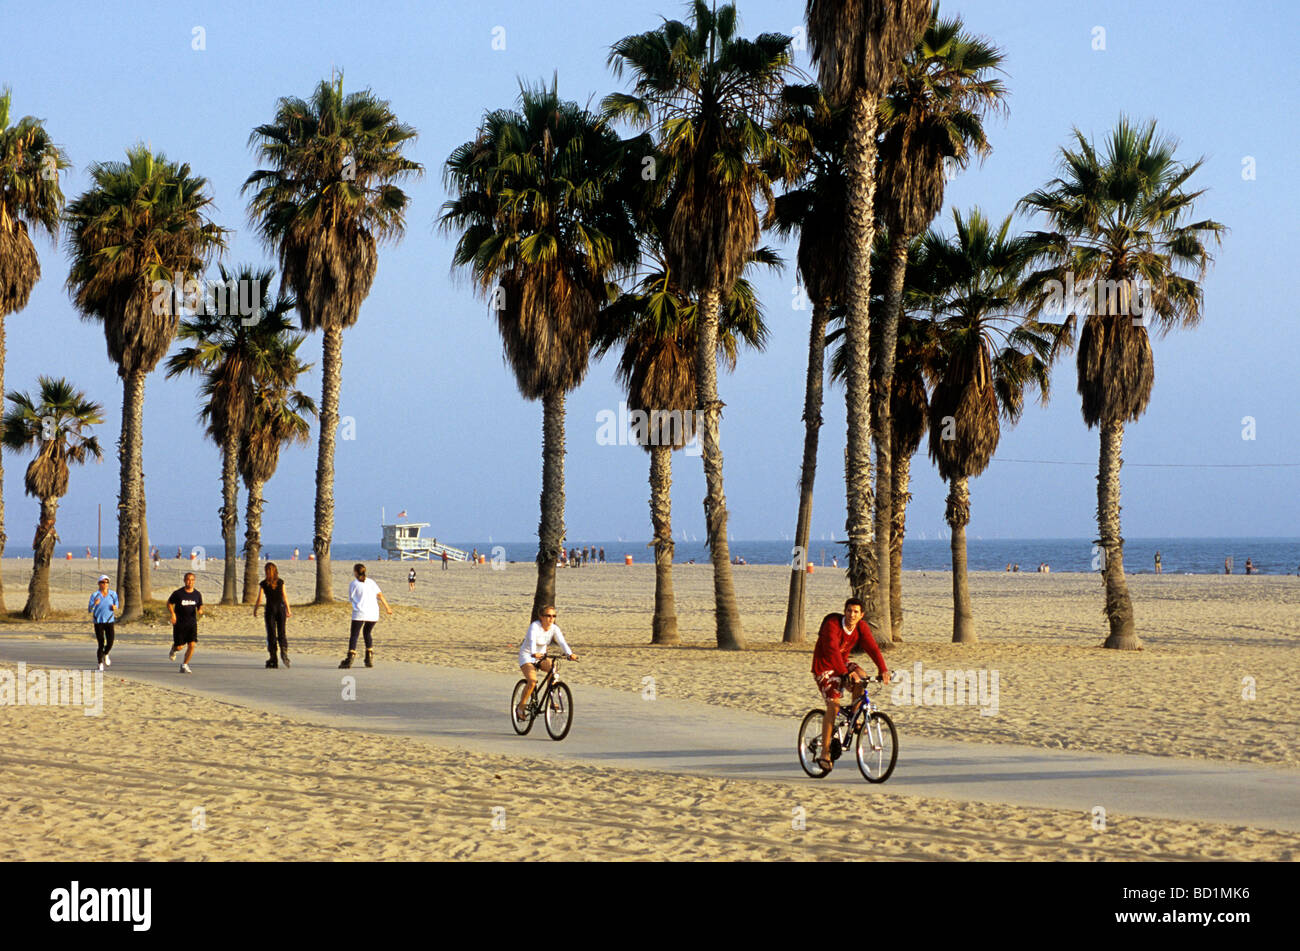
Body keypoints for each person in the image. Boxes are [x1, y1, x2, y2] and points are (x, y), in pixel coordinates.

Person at [810, 597, 889, 772]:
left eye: (855, 612)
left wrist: (883, 669)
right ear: (844, 611)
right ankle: (824, 753)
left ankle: (853, 718)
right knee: (833, 706)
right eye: (848, 611)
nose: (851, 615)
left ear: (861, 615)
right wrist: (845, 673)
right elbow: (831, 649)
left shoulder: (861, 627)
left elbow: (872, 648)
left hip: (842, 663)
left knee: (862, 678)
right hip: (824, 666)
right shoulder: (832, 624)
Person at [515, 605, 577, 721]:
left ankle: (551, 700)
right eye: (548, 616)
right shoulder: (534, 626)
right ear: (541, 617)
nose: (551, 619)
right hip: (528, 656)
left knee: (553, 670)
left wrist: (570, 654)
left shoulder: (554, 628)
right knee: (532, 681)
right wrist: (533, 653)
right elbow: (533, 640)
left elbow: (562, 642)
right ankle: (521, 707)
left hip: (542, 656)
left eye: (553, 616)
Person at [341, 563, 392, 669]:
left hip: (359, 612)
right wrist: (387, 608)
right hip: (373, 613)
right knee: (367, 633)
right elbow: (380, 595)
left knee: (354, 635)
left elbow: (351, 598)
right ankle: (369, 656)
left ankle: (350, 658)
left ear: (355, 572)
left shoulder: (353, 584)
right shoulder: (371, 582)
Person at [252, 562, 292, 668]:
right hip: (281, 608)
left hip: (270, 609)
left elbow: (260, 599)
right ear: (275, 571)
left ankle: (273, 657)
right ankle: (284, 652)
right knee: (282, 631)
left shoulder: (264, 584)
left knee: (271, 633)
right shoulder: (281, 582)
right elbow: (285, 596)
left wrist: (255, 609)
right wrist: (288, 610)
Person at [167, 573, 204, 673]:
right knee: (179, 647)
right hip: (179, 623)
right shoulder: (178, 593)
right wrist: (173, 614)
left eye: (192, 580)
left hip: (192, 623)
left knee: (192, 645)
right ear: (184, 580)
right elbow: (169, 603)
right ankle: (173, 649)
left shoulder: (197, 594)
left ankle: (184, 665)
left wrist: (200, 610)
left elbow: (200, 605)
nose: (190, 582)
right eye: (188, 580)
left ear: (194, 581)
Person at [88, 574, 120, 671]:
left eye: (106, 582)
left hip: (109, 621)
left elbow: (117, 605)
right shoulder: (95, 595)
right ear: (99, 584)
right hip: (98, 622)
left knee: (110, 642)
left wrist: (115, 607)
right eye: (103, 582)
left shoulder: (113, 594)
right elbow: (90, 609)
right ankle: (100, 663)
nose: (105, 584)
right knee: (101, 643)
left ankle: (106, 654)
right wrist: (95, 604)